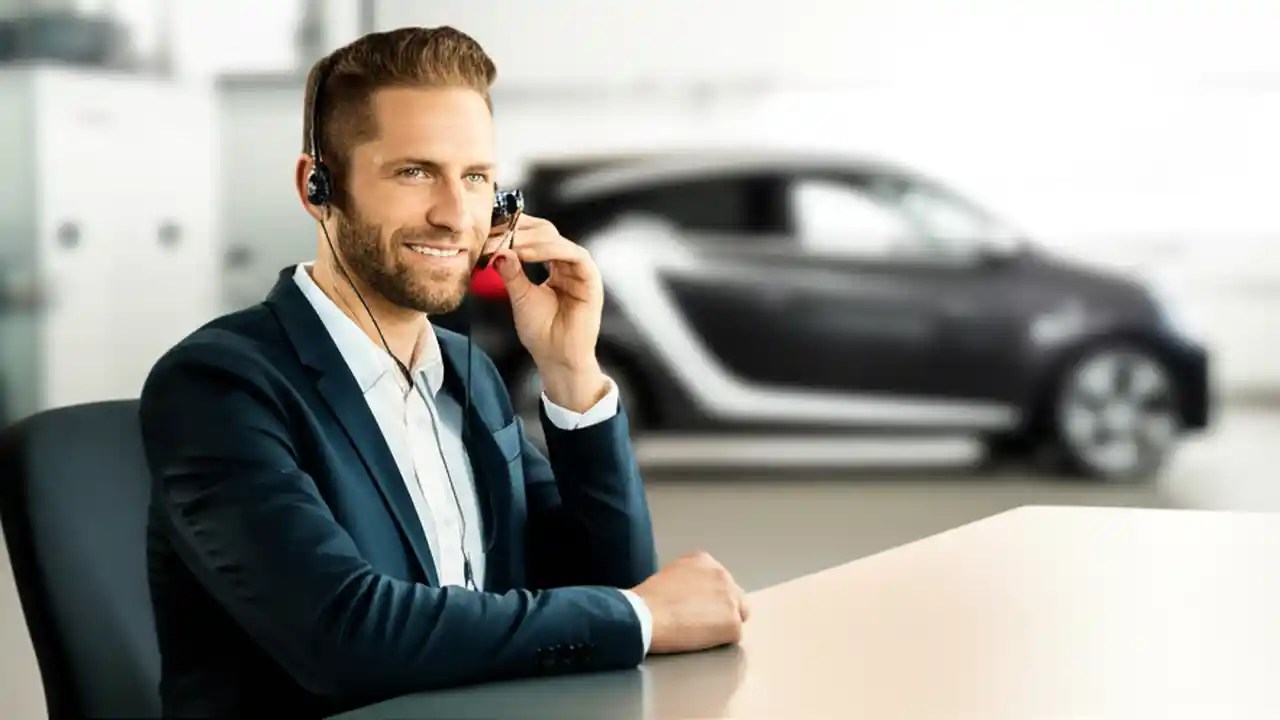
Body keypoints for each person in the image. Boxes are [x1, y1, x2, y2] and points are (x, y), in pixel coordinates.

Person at [140, 25, 749, 718]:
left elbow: (606, 582)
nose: (455, 214)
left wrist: (570, 371)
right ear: (317, 185)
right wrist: (640, 620)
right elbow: (344, 636)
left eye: (477, 177)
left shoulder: (466, 373)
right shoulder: (218, 386)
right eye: (414, 172)